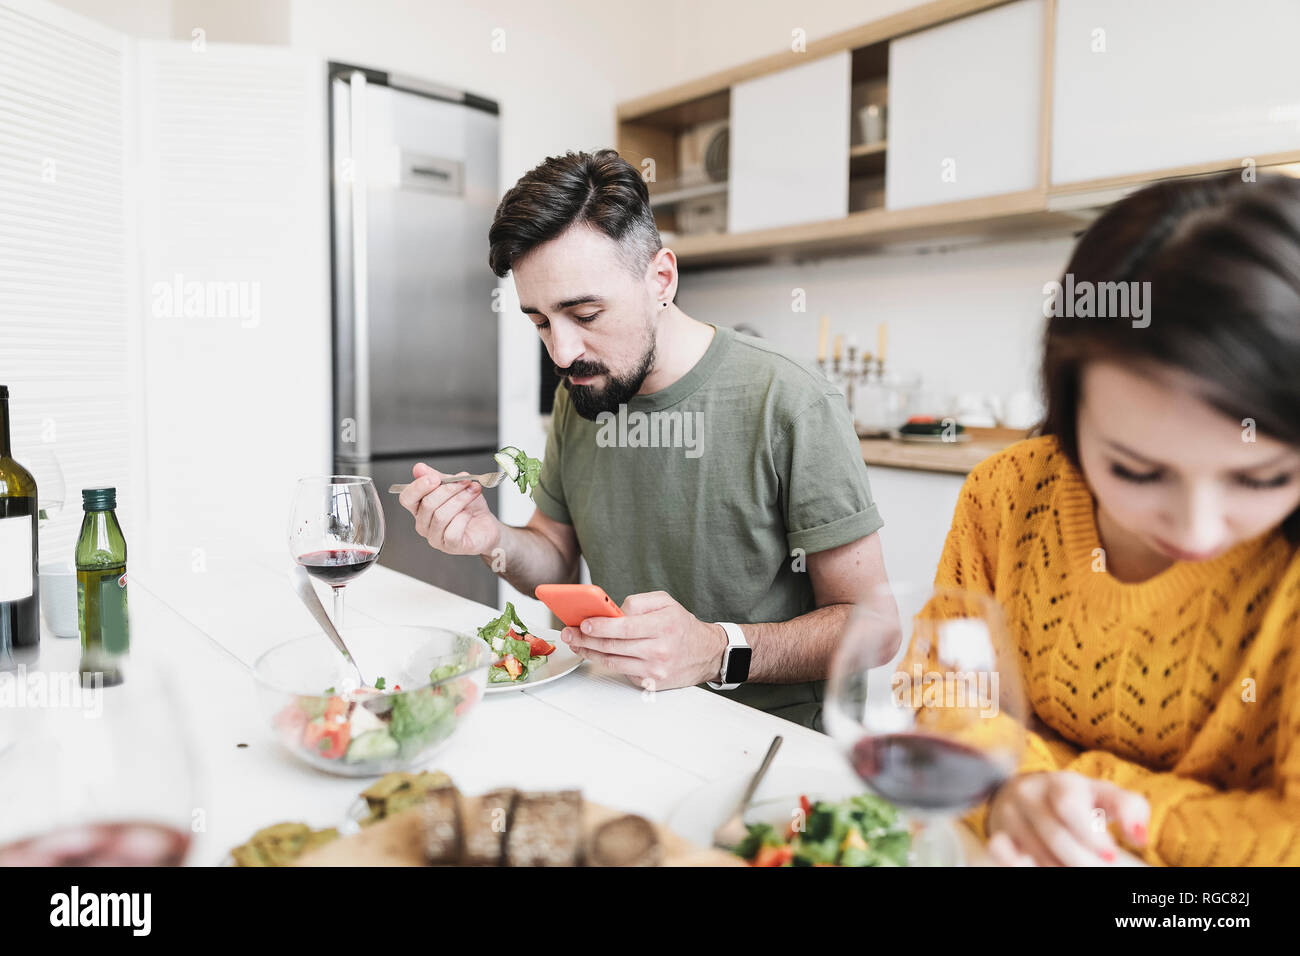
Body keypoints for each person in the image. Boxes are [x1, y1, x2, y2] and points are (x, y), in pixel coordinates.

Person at [398, 149, 892, 729]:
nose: (561, 353)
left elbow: (876, 626)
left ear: (661, 279)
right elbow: (555, 557)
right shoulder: (580, 393)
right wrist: (490, 538)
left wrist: (717, 648)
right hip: (613, 713)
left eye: (584, 314)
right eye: (539, 322)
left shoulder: (789, 400)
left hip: (765, 740)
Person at [943, 172, 1300, 865]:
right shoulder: (1008, 495)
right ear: (1070, 409)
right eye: (1137, 470)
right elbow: (946, 688)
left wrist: (1044, 784)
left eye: (1263, 478)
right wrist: (1007, 787)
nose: (1196, 531)